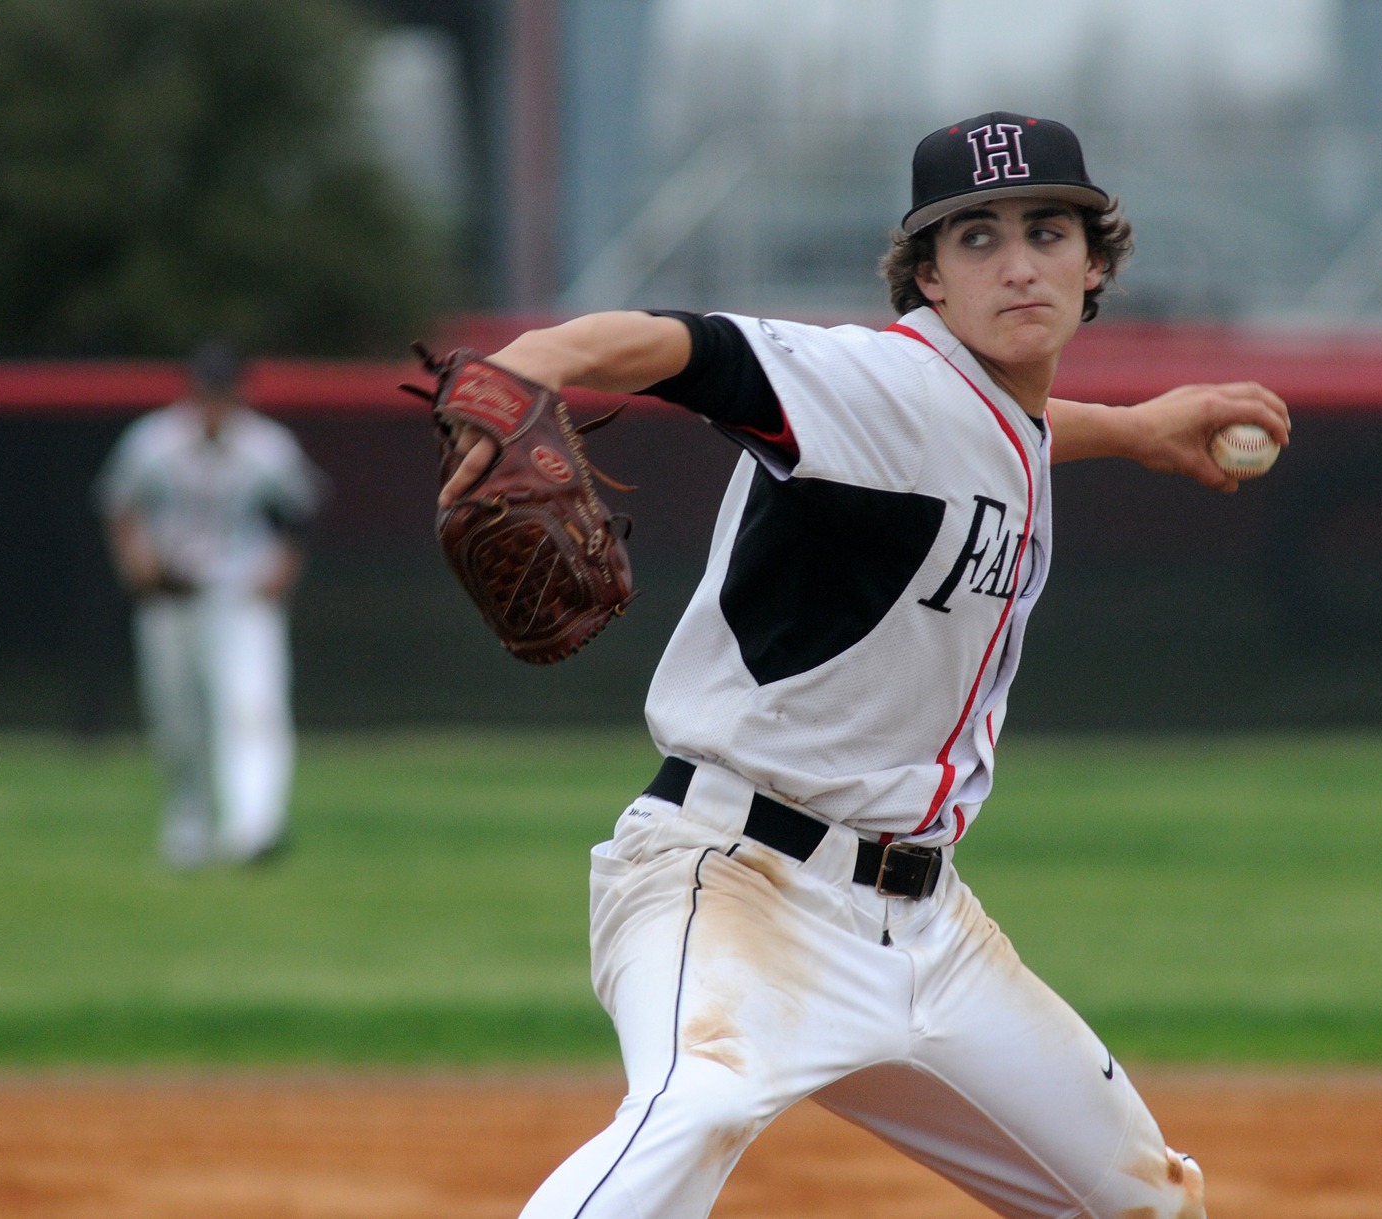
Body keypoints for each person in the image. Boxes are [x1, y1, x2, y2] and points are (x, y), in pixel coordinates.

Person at [442, 112, 1289, 1218]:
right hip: (736, 877)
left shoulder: (985, 414)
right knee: (696, 1106)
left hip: (928, 933)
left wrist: (1133, 429)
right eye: (976, 239)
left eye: (1048, 230)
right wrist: (533, 368)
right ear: (928, 279)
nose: (1019, 261)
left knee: (1144, 1204)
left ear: (1095, 267)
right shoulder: (871, 385)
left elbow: (994, 437)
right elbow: (694, 351)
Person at [97, 341, 325, 868]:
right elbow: (120, 504)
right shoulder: (154, 441)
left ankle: (254, 828)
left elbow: (301, 512)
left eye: (224, 391)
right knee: (178, 719)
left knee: (253, 708)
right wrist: (136, 564)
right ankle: (188, 827)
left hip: (240, 596)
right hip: (171, 599)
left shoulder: (268, 447)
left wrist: (281, 572)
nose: (214, 402)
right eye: (207, 390)